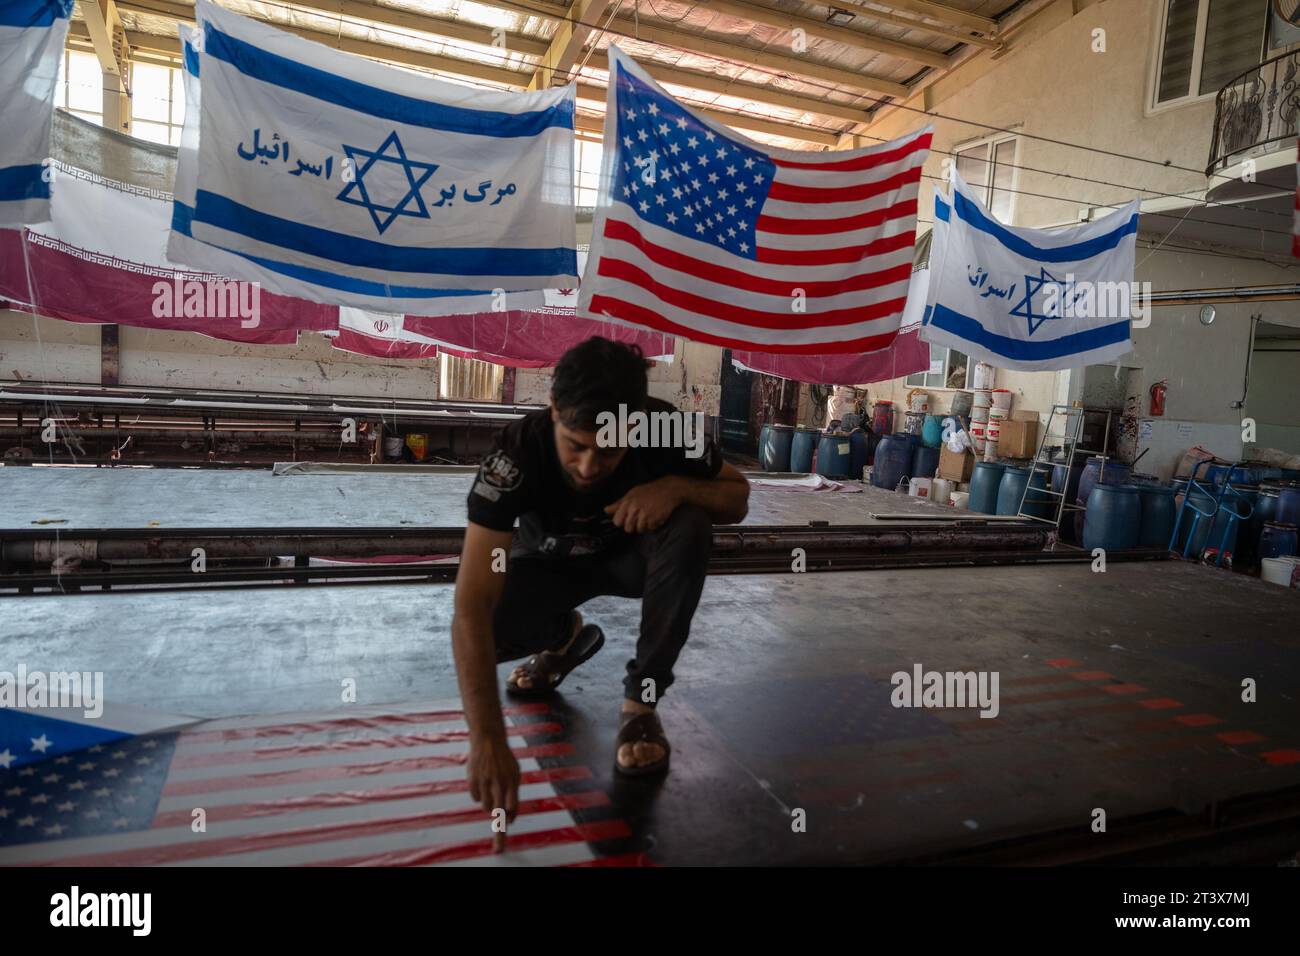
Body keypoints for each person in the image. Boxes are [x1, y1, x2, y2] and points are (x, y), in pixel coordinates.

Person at [451, 337, 750, 826]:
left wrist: (674, 487)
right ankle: (562, 635)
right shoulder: (514, 453)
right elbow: (471, 606)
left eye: (608, 451)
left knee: (692, 522)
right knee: (492, 626)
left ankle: (639, 707)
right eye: (576, 446)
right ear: (553, 411)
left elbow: (738, 496)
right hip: (550, 565)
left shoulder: (666, 427)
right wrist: (486, 738)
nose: (589, 466)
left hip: (632, 559)